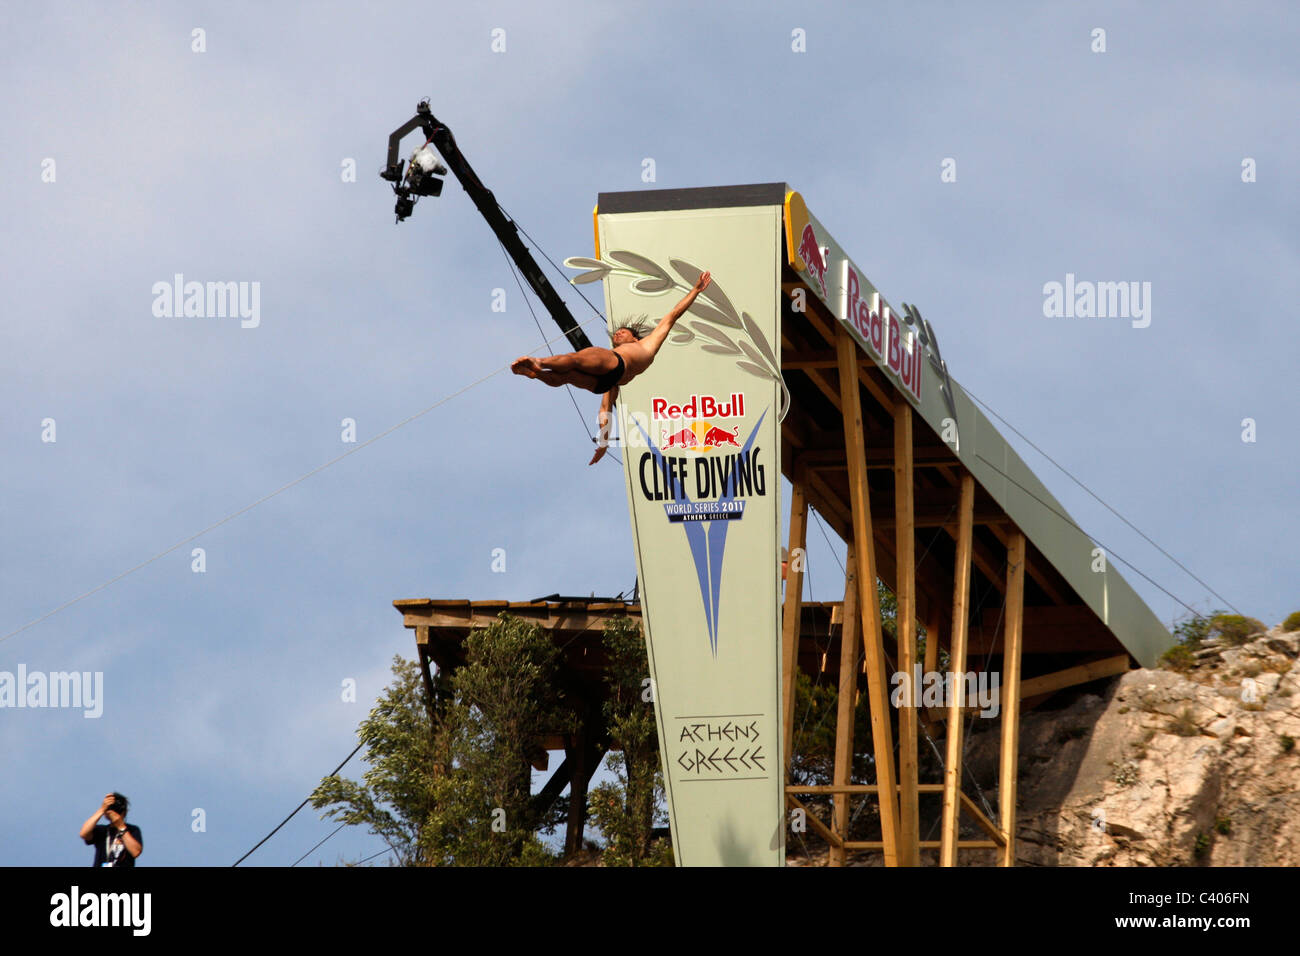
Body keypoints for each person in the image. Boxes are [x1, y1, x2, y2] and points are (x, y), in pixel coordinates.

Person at [511, 271, 712, 465]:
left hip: (613, 371)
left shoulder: (647, 343)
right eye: (615, 335)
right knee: (565, 376)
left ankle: (539, 363)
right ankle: (536, 372)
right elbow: (605, 409)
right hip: (610, 377)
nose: (617, 335)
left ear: (634, 337)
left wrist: (695, 290)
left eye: (622, 332)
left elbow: (673, 314)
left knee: (574, 364)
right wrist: (604, 441)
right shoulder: (615, 353)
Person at [79, 791, 143, 867]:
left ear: (124, 812)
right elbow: (83, 833)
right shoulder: (102, 830)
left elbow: (135, 852)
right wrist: (102, 809)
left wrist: (121, 826)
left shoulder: (132, 830)